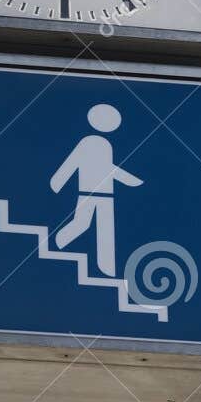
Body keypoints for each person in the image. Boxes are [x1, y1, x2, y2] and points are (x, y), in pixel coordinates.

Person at [50, 103, 142, 275]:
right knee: (81, 224)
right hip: (89, 193)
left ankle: (107, 269)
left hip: (107, 194)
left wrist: (129, 179)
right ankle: (57, 242)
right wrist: (58, 181)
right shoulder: (89, 142)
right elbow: (74, 162)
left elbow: (109, 168)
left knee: (106, 231)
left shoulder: (106, 145)